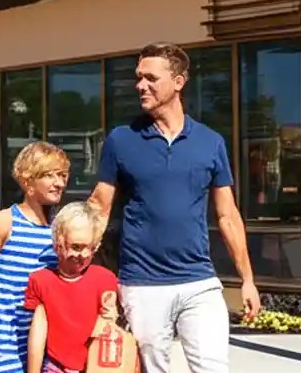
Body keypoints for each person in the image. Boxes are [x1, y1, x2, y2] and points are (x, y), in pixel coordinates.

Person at [89, 42, 260, 373]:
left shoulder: (210, 142)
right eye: (139, 78)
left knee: (213, 367)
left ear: (179, 82)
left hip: (199, 280)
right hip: (141, 284)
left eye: (151, 78)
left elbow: (227, 215)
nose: (141, 85)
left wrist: (248, 279)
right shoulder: (121, 140)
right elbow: (98, 207)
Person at [0, 142, 70, 373]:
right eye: (50, 176)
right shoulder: (6, 221)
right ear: (28, 181)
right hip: (4, 335)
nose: (59, 183)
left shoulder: (58, 230)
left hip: (44, 336)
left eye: (62, 175)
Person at [24, 201, 120, 373]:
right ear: (58, 245)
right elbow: (38, 334)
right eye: (75, 247)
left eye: (88, 248)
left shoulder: (105, 279)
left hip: (94, 366)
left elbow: (108, 326)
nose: (81, 254)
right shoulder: (41, 280)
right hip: (55, 366)